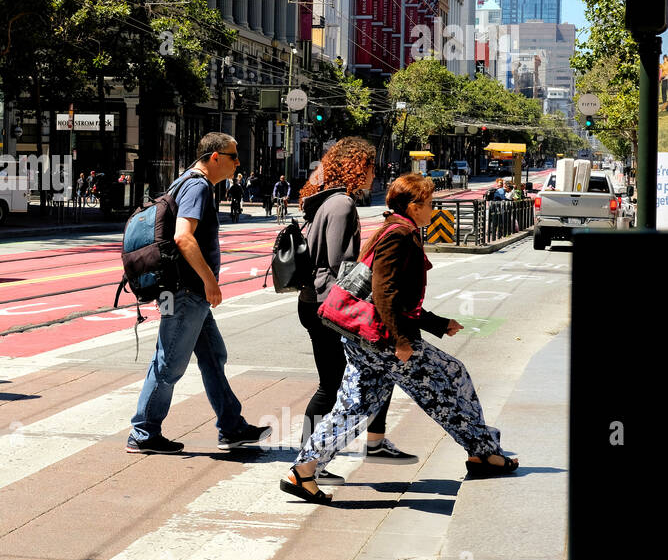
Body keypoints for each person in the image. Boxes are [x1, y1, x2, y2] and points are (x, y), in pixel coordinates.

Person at [281, 173, 518, 503]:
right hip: (385, 341)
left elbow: (398, 298)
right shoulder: (399, 234)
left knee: (355, 408)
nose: (434, 210)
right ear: (414, 206)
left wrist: (436, 322)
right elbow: (385, 293)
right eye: (431, 204)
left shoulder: (397, 229)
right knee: (450, 380)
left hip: (367, 339)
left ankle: (303, 471)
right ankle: (483, 451)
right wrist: (402, 341)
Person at [126, 132, 271, 454]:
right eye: (234, 156)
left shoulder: (185, 182)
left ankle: (232, 426)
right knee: (168, 364)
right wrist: (210, 281)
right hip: (187, 291)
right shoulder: (198, 186)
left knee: (212, 356)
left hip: (188, 292)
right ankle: (144, 432)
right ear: (215, 157)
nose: (238, 163)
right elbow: (183, 237)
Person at [295, 138, 416, 484]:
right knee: (332, 386)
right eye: (370, 166)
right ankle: (309, 462)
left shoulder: (329, 201)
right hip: (327, 304)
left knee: (362, 377)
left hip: (317, 299)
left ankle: (363, 444)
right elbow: (337, 264)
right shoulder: (343, 204)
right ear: (355, 167)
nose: (374, 174)